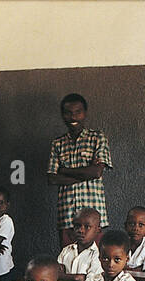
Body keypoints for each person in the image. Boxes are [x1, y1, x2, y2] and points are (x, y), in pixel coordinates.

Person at [46, 93, 113, 248]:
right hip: (67, 215)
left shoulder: (97, 138)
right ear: (63, 115)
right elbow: (52, 179)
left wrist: (65, 170)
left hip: (94, 217)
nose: (73, 116)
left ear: (85, 113)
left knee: (96, 262)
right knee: (68, 261)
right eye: (68, 112)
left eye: (78, 112)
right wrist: (86, 172)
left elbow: (97, 173)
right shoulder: (58, 144)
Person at [57, 207, 102, 281]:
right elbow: (54, 275)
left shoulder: (98, 255)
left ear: (98, 230)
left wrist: (63, 276)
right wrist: (77, 278)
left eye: (87, 227)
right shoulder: (66, 251)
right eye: (77, 226)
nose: (81, 230)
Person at [123, 206, 145, 272]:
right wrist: (139, 269)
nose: (136, 228)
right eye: (132, 224)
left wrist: (125, 269)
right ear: (125, 226)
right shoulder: (119, 244)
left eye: (141, 225)